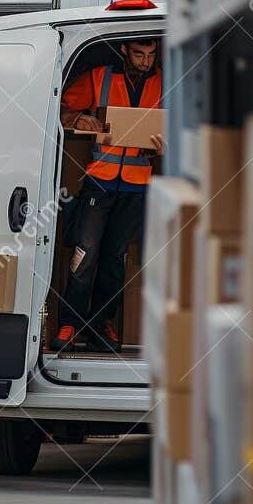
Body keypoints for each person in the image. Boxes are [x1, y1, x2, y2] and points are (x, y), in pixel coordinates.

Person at [56, 37, 163, 353]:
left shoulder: (166, 81)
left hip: (137, 183)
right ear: (125, 51)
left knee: (115, 259)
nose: (146, 61)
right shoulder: (98, 76)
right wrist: (78, 118)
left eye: (151, 55)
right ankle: (70, 323)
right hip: (99, 180)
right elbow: (59, 107)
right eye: (139, 54)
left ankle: (101, 324)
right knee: (85, 254)